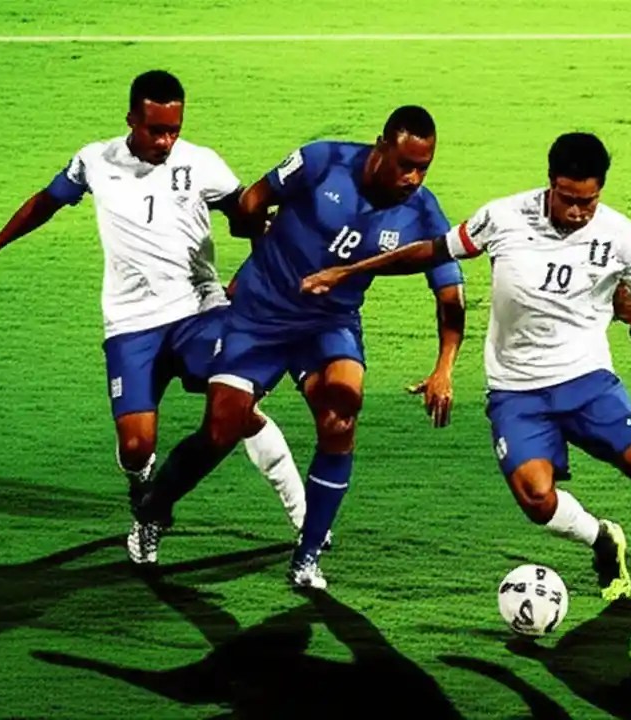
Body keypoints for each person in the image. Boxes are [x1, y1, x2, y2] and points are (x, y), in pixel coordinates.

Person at [301, 132, 631, 618]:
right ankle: (602, 538)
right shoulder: (502, 217)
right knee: (536, 499)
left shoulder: (618, 235)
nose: (576, 212)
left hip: (588, 383)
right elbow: (432, 251)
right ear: (551, 183)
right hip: (516, 392)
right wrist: (347, 271)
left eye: (587, 201)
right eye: (567, 199)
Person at [0, 69, 307, 561]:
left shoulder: (202, 163)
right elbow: (46, 202)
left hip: (198, 311)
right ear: (131, 120)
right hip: (130, 325)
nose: (167, 140)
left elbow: (249, 215)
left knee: (237, 408)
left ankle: (306, 520)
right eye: (156, 130)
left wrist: (255, 283)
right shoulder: (95, 160)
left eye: (174, 129)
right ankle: (143, 494)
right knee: (135, 446)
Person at [131, 105, 467, 589]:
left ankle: (307, 555)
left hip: (328, 323)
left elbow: (450, 298)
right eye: (405, 164)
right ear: (381, 147)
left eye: (423, 168)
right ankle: (153, 508)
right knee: (222, 429)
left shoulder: (422, 213)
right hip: (258, 316)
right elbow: (251, 202)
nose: (413, 177)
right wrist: (258, 248)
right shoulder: (322, 161)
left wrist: (444, 368)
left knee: (341, 416)